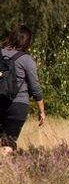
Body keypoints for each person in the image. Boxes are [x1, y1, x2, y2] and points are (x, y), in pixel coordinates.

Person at [0, 25, 46, 154]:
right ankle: (7, 172)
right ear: (27, 41)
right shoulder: (26, 60)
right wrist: (41, 111)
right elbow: (35, 87)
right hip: (18, 105)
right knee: (8, 143)